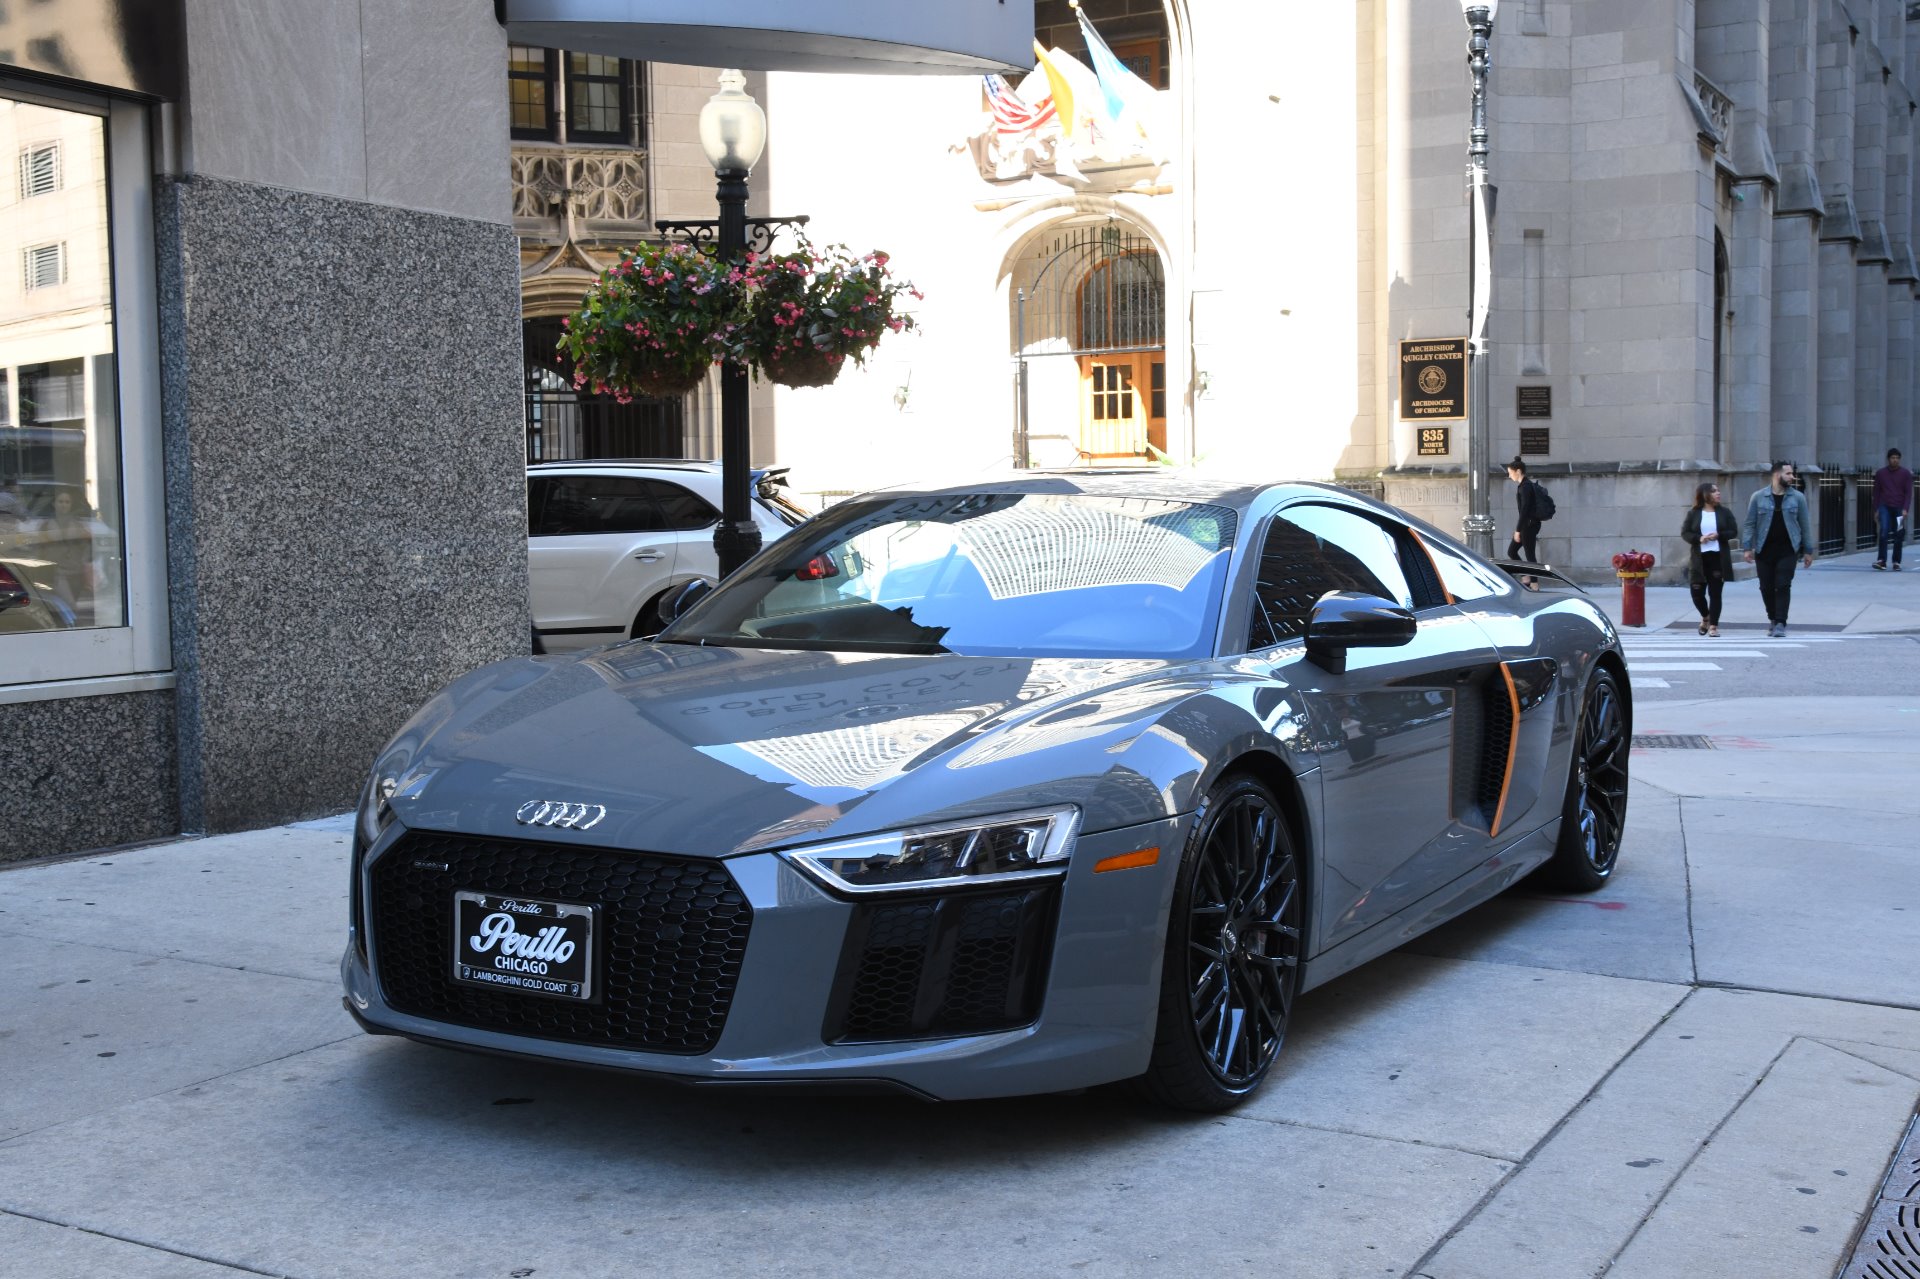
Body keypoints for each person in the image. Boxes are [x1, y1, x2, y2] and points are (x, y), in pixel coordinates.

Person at [1742, 460, 1815, 637]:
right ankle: (1773, 618)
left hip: (1788, 549)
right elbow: (1749, 523)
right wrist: (1747, 547)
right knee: (1766, 587)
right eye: (1788, 474)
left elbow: (1805, 525)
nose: (1792, 477)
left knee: (1783, 585)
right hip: (1764, 549)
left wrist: (1808, 550)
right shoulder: (1758, 497)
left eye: (1792, 473)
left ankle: (1781, 622)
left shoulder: (1797, 498)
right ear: (1777, 475)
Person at [1682, 481, 1737, 636]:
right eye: (1714, 491)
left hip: (1717, 557)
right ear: (1705, 494)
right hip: (1699, 558)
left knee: (1715, 593)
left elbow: (1733, 531)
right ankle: (1705, 616)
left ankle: (1713, 626)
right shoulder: (1694, 513)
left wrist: (1719, 535)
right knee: (1696, 593)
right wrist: (1699, 538)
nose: (1718, 493)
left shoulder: (1724, 512)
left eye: (1718, 490)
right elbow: (1685, 533)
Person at [1872, 446, 1913, 571]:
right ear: (1888, 459)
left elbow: (1908, 493)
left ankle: (1896, 562)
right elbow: (1876, 492)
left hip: (1899, 508)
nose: (1895, 460)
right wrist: (1876, 509)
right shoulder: (1881, 474)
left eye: (1897, 458)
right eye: (1893, 458)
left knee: (1899, 534)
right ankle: (1882, 561)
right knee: (1884, 532)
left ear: (1899, 459)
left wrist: (1905, 509)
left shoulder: (1905, 474)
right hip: (1884, 507)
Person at [1505, 458, 1544, 563]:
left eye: (1510, 473)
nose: (1509, 476)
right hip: (1527, 525)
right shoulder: (1524, 485)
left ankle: (1533, 575)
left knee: (1530, 557)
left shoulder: (1525, 487)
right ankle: (1525, 573)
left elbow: (1524, 510)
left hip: (1528, 526)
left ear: (1518, 471)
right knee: (1512, 552)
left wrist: (1517, 530)